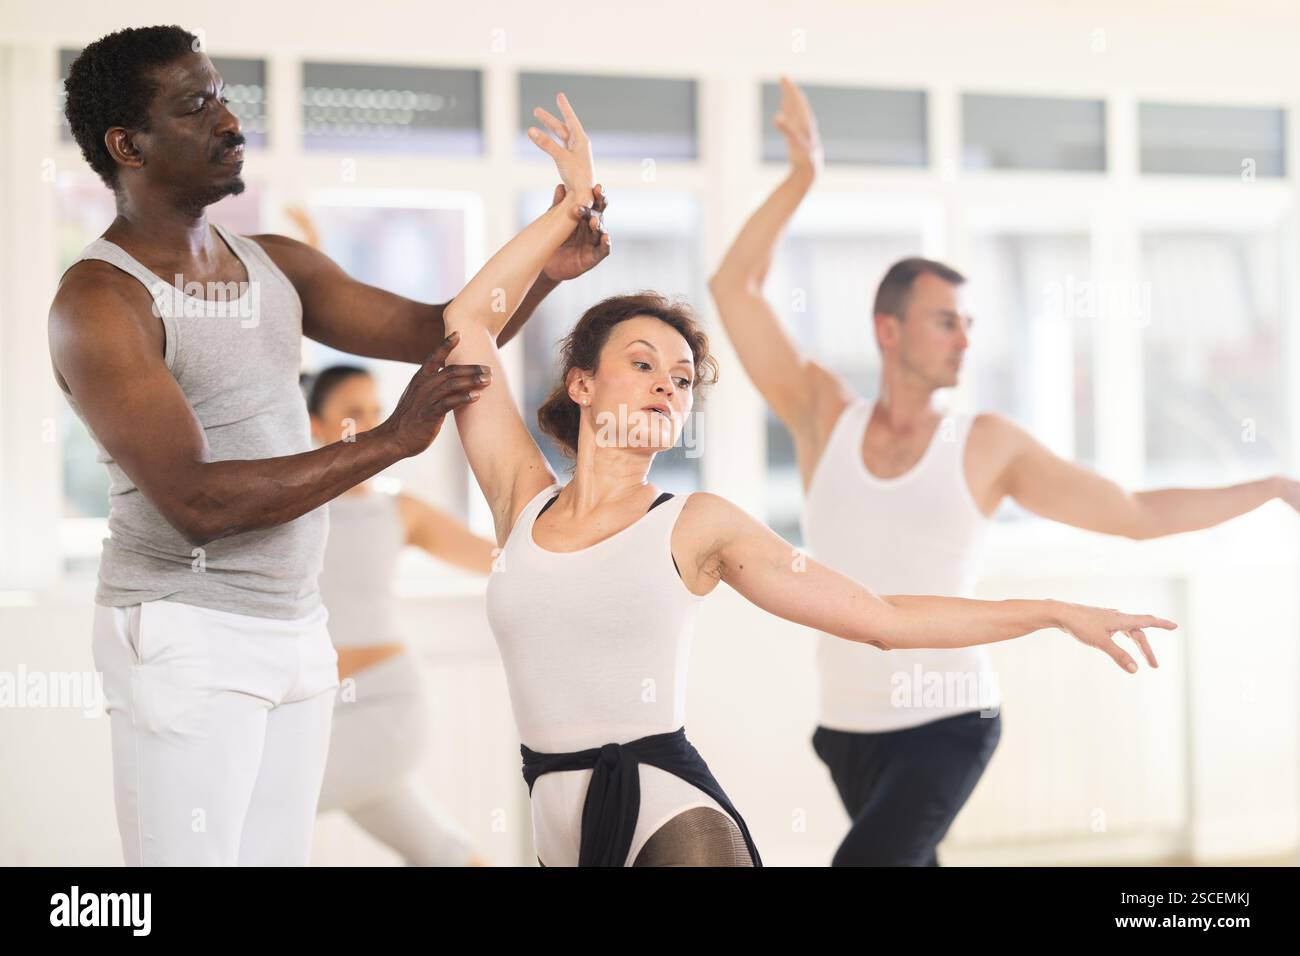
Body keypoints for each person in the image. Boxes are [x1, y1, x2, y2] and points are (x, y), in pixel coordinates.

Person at [443, 92, 1175, 867]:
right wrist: (568, 213)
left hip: (672, 818)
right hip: (554, 819)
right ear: (582, 384)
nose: (669, 384)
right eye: (643, 364)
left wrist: (1054, 612)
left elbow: (882, 618)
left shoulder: (695, 525)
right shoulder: (521, 499)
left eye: (685, 377)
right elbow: (467, 324)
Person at [48, 25, 606, 866]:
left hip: (299, 627)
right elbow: (196, 502)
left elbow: (439, 333)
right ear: (129, 144)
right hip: (184, 629)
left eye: (224, 95)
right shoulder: (99, 302)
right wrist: (390, 440)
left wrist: (545, 260)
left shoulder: (276, 265)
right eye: (196, 106)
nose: (231, 122)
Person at [708, 76, 1300, 866]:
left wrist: (1270, 486)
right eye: (945, 321)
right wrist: (801, 180)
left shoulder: (987, 445)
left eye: (970, 324)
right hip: (845, 725)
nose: (964, 339)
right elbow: (731, 288)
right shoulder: (824, 414)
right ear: (888, 329)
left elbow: (1133, 511)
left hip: (951, 721)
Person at [306, 365, 496, 866]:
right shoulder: (291, 509)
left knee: (253, 808)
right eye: (352, 414)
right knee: (437, 850)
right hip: (315, 710)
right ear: (314, 424)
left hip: (383, 709)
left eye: (375, 410)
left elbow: (495, 559)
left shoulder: (398, 509)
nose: (370, 424)